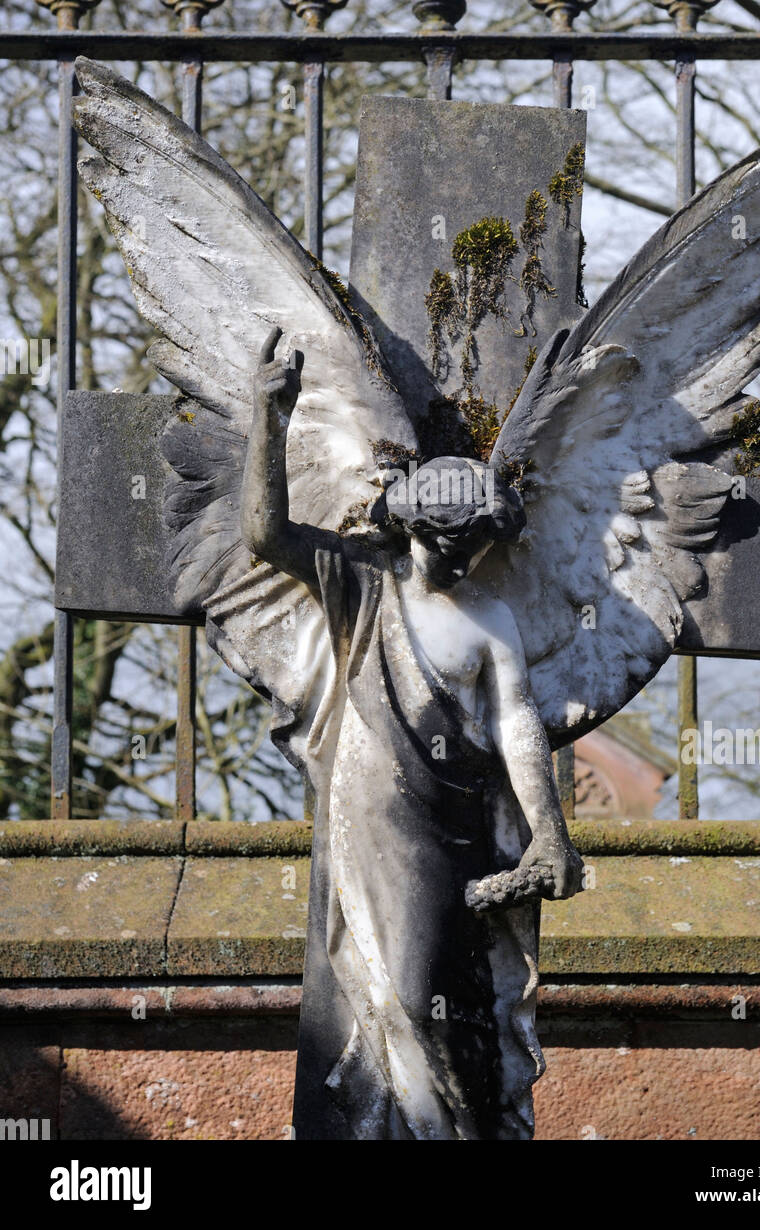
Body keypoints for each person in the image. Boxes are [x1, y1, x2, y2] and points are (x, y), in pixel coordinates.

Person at [242, 328, 584, 1140]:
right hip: (375, 823)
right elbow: (266, 535)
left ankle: (456, 1129)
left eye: (474, 548)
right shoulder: (362, 583)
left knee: (452, 995)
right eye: (444, 545)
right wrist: (268, 418)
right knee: (394, 986)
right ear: (410, 530)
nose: (459, 563)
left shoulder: (490, 619)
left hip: (458, 827)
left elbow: (517, 726)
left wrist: (548, 833)